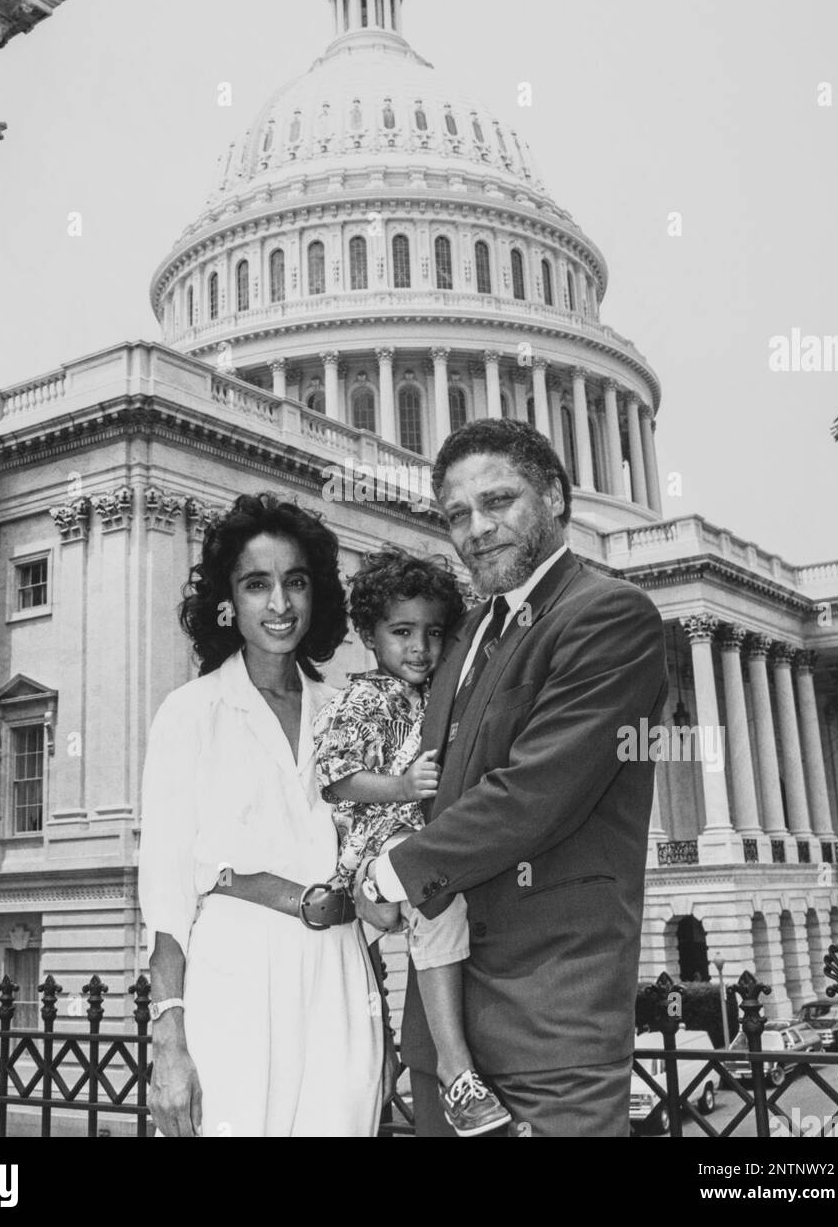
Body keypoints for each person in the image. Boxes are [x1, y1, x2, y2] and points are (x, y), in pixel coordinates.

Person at [354, 419, 669, 1137]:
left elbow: (538, 794)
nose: (477, 529)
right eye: (458, 514)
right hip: (444, 1029)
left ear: (555, 496)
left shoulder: (606, 614)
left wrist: (387, 876)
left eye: (499, 502)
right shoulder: (462, 633)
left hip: (550, 1015)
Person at [138, 492, 383, 1137]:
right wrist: (168, 1042)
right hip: (233, 975)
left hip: (337, 967)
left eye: (295, 582)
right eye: (257, 584)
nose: (279, 604)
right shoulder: (189, 712)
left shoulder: (348, 712)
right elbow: (165, 892)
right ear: (228, 600)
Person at [313, 550, 511, 1136]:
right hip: (378, 844)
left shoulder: (440, 696)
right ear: (370, 635)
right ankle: (455, 1073)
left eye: (431, 633)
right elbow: (336, 776)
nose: (419, 647)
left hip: (423, 848)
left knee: (441, 912)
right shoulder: (364, 697)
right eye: (402, 632)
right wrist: (401, 784)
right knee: (437, 902)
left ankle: (441, 1066)